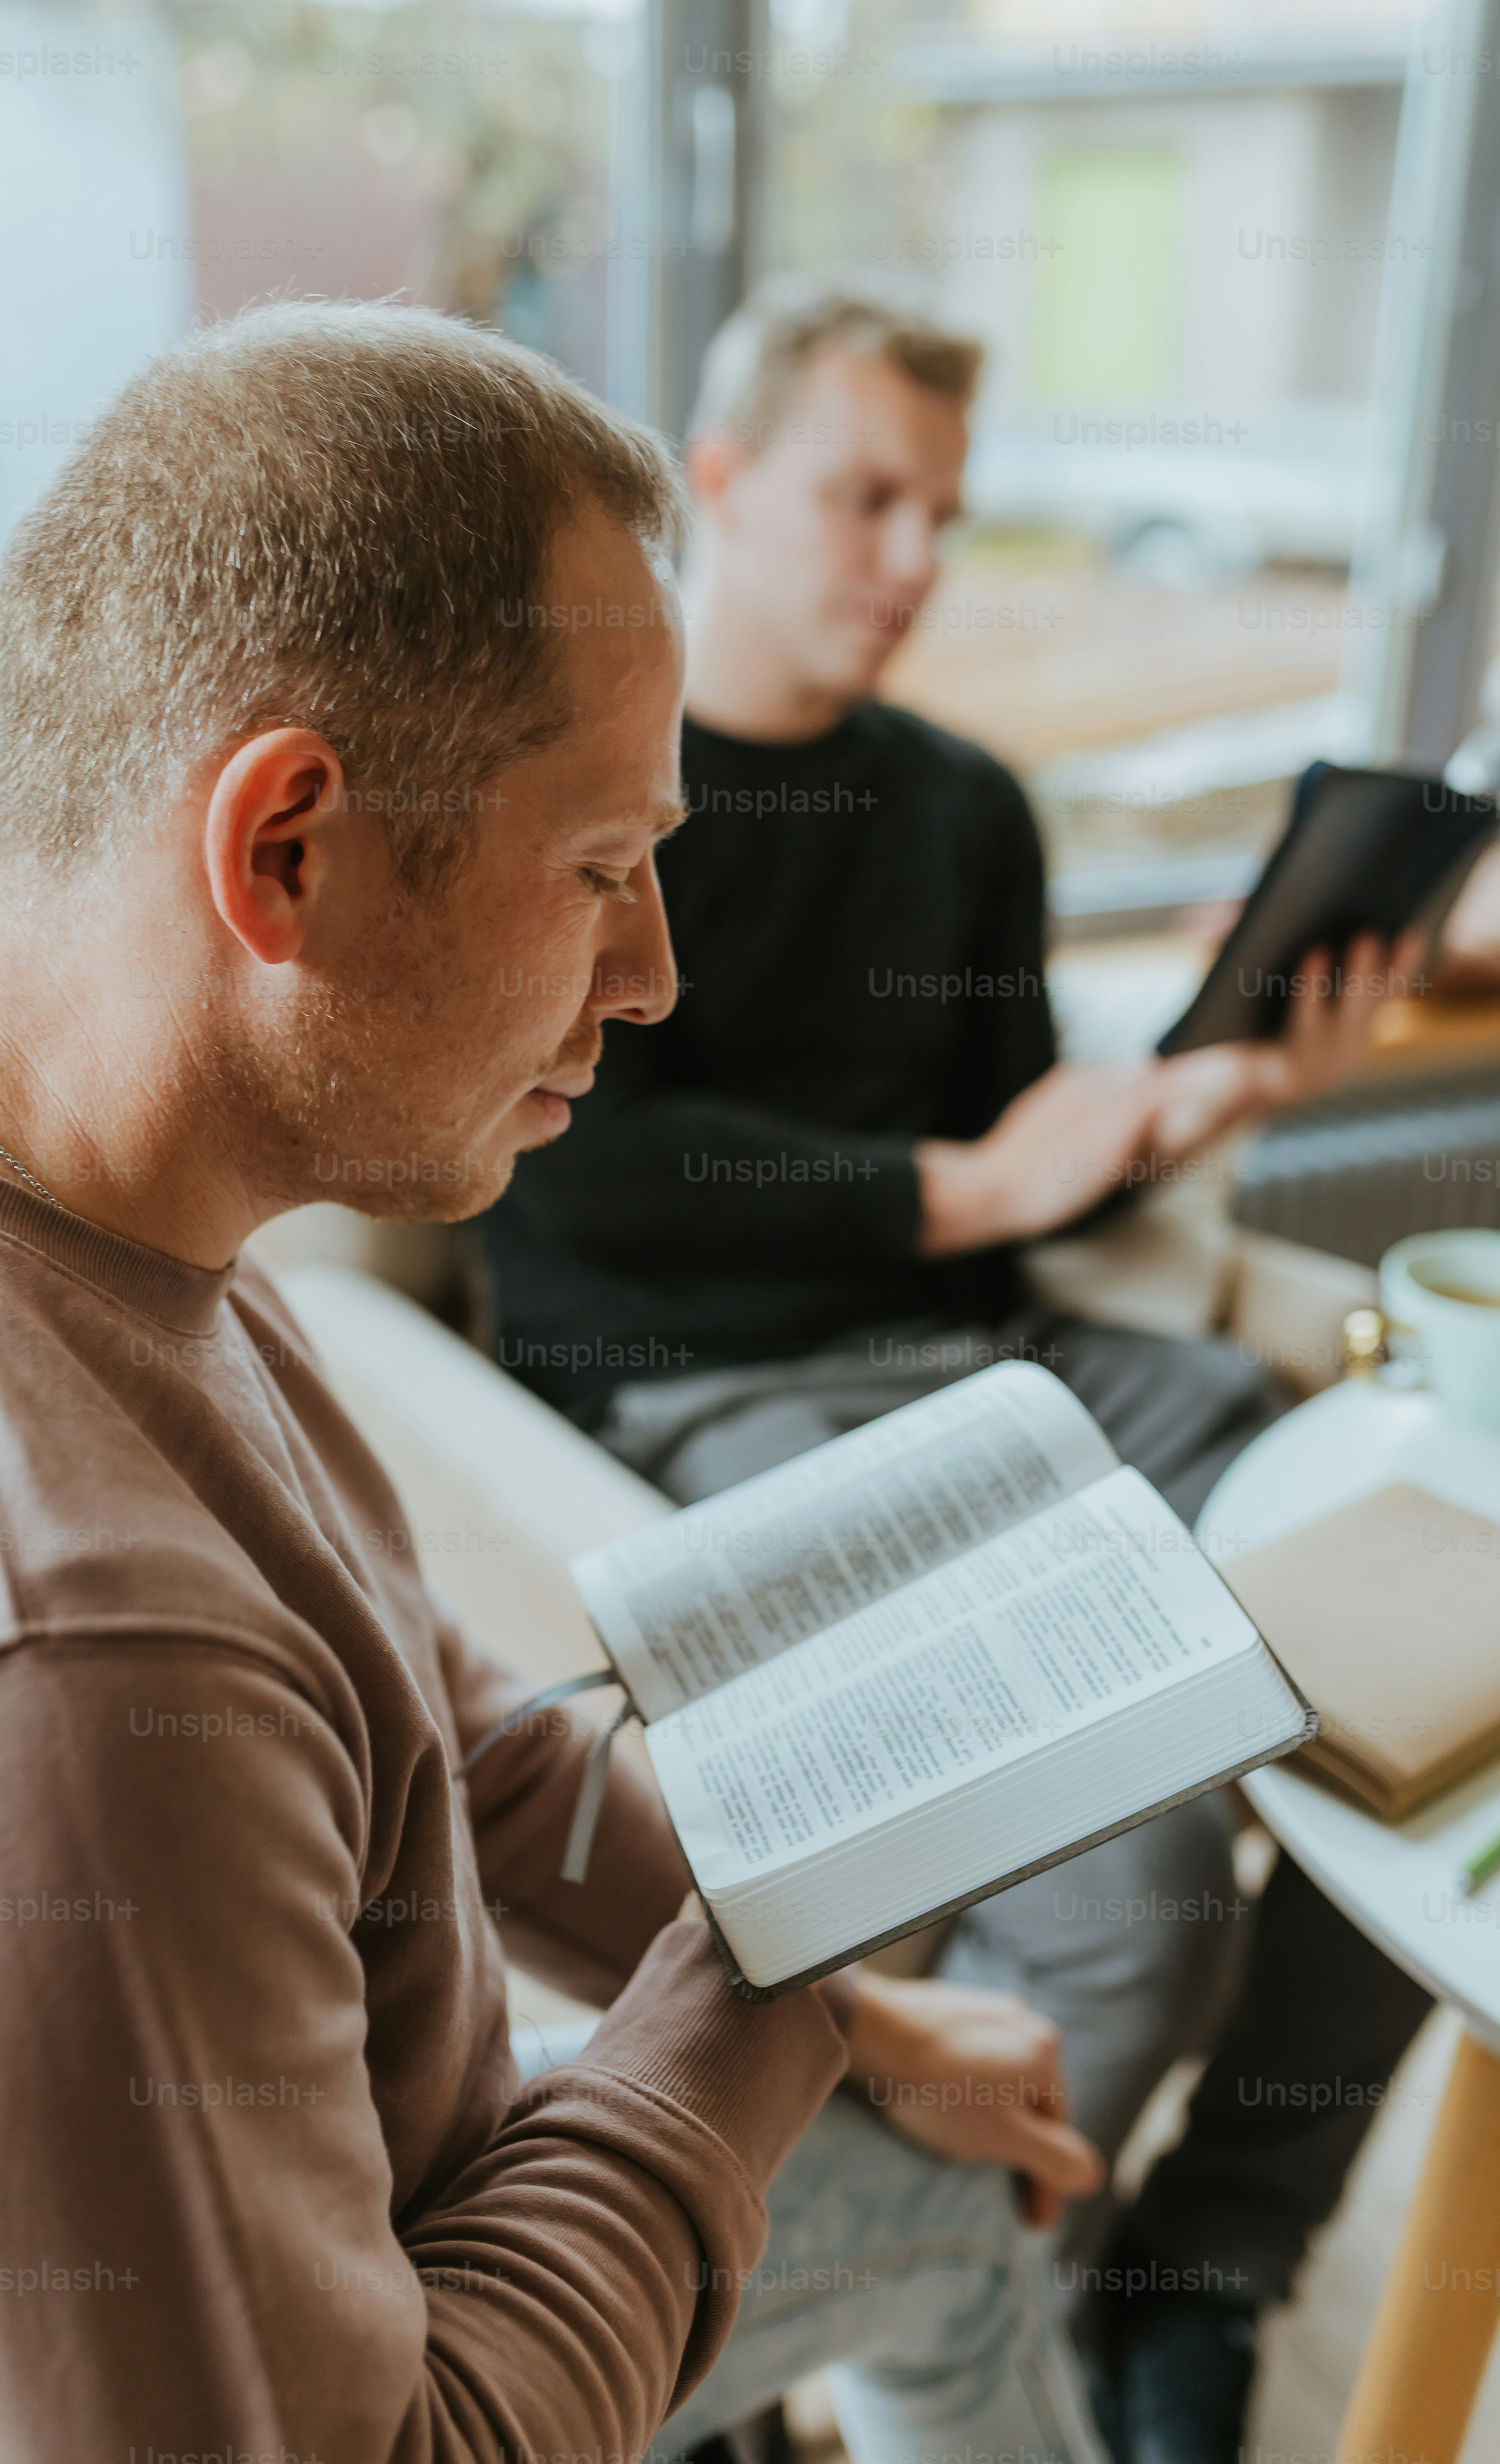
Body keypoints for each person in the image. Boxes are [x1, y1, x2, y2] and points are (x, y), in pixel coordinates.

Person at [0, 300, 1127, 2464]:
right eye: (605, 868)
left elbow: (467, 1754)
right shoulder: (69, 1676)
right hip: (373, 2340)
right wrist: (756, 2006)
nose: (652, 977)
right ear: (286, 847)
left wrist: (860, 2007)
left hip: (367, 2189)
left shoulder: (124, 1234)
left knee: (952, 2194)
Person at [483, 280, 1432, 2464]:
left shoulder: (968, 806)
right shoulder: (597, 788)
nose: (910, 558)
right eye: (863, 497)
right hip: (730, 1391)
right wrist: (957, 1195)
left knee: (1440, 1607)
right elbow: (594, 1184)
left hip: (1006, 1359)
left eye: (946, 512)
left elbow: (1030, 1165)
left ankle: (1202, 2261)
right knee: (1147, 1860)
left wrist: (1192, 1115)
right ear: (716, 484)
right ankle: (972, 2314)